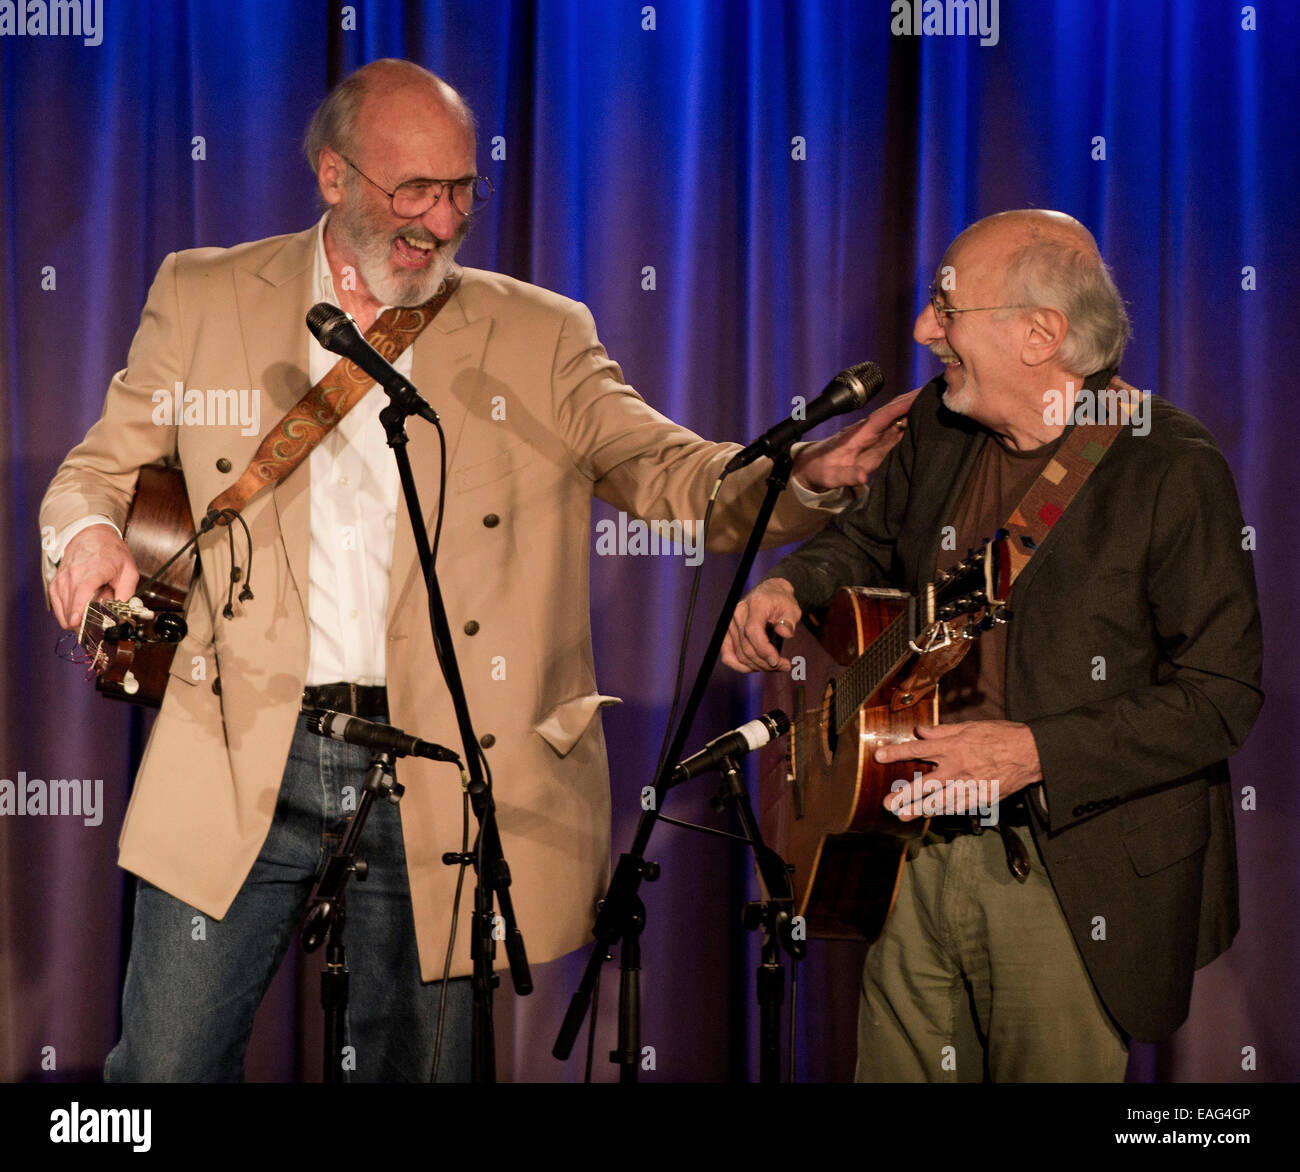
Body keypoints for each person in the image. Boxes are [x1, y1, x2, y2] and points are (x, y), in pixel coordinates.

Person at [39, 59, 913, 1082]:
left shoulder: (541, 331)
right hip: (240, 750)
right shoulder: (205, 293)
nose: (440, 219)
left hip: (444, 771)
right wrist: (84, 534)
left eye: (461, 190)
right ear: (332, 176)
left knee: (425, 1068)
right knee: (160, 1072)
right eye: (412, 190)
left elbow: (669, 470)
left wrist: (797, 476)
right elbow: (96, 470)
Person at [722, 209, 1263, 1082]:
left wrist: (1032, 751)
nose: (922, 330)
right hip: (907, 852)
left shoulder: (1172, 467)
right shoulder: (942, 424)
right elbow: (863, 542)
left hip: (1061, 874)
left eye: (946, 307)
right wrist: (793, 583)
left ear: (1040, 334)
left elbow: (1219, 695)